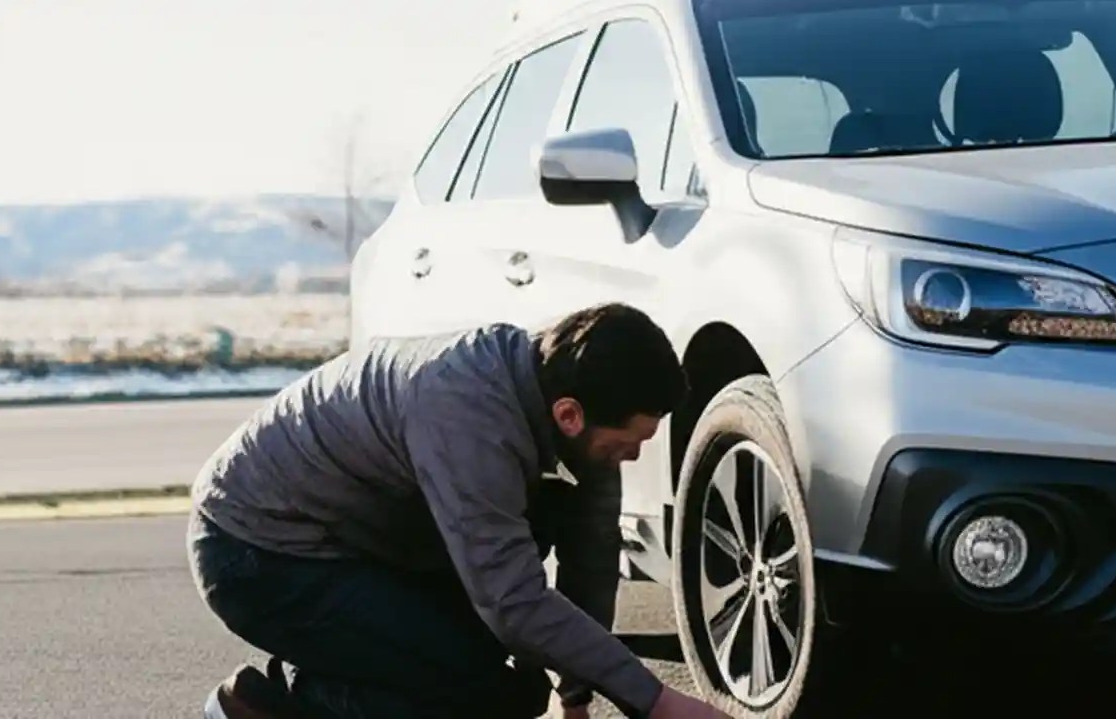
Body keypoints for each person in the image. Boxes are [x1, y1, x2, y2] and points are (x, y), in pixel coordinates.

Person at [187, 302, 732, 719]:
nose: (632, 456)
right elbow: (513, 603)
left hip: (354, 539)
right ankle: (273, 707)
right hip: (256, 553)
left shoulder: (567, 400)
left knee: (509, 682)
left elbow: (590, 560)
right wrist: (658, 702)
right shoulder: (469, 415)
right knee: (486, 692)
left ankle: (337, 677)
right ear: (569, 415)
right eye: (625, 443)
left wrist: (577, 696)